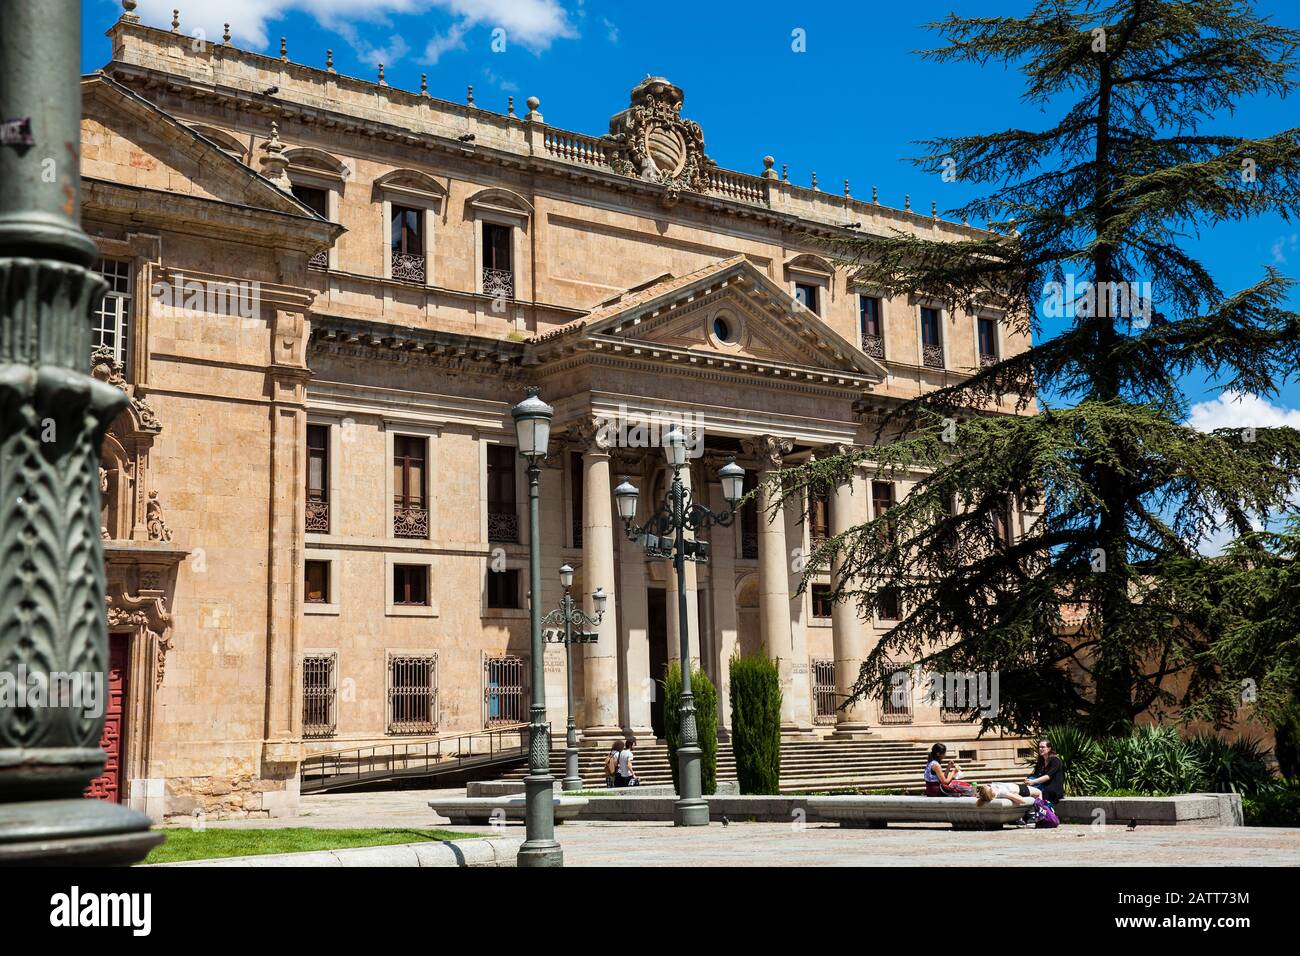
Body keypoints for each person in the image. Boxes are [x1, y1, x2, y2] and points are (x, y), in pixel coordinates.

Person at [1026, 738, 1065, 804]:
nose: (1040, 749)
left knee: (1044, 793)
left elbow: (1048, 776)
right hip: (1043, 786)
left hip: (1053, 789)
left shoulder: (1055, 760)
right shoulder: (1041, 762)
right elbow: (1035, 774)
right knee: (1026, 790)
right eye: (1039, 747)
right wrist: (1028, 779)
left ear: (1049, 748)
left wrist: (1033, 781)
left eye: (1043, 747)